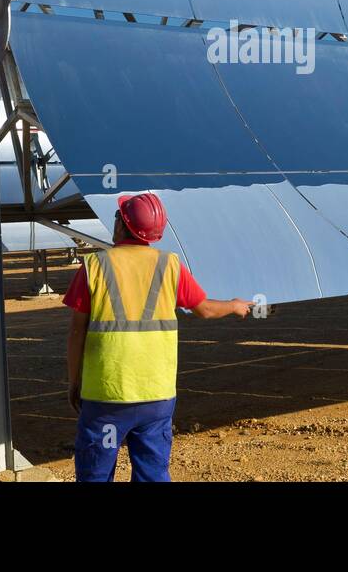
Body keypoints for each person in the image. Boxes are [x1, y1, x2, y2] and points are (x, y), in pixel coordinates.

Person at [63, 192, 253, 482]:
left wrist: (74, 381)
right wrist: (235, 305)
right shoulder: (170, 266)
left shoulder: (94, 267)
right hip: (156, 395)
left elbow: (77, 331)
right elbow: (204, 309)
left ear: (120, 225)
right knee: (152, 474)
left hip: (106, 396)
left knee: (95, 474)